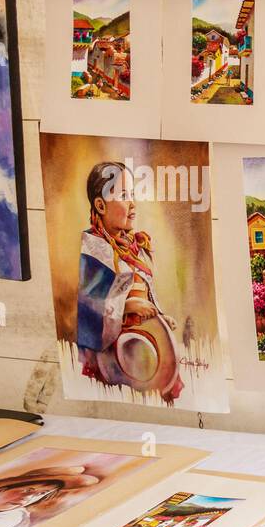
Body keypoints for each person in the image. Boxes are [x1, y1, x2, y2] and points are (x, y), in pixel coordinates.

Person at [77, 161, 184, 403]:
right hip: (114, 352)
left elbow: (145, 290)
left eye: (133, 194)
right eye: (124, 195)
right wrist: (127, 306)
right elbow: (87, 307)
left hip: (144, 345)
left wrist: (158, 316)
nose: (133, 203)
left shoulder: (136, 249)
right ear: (101, 205)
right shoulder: (94, 249)